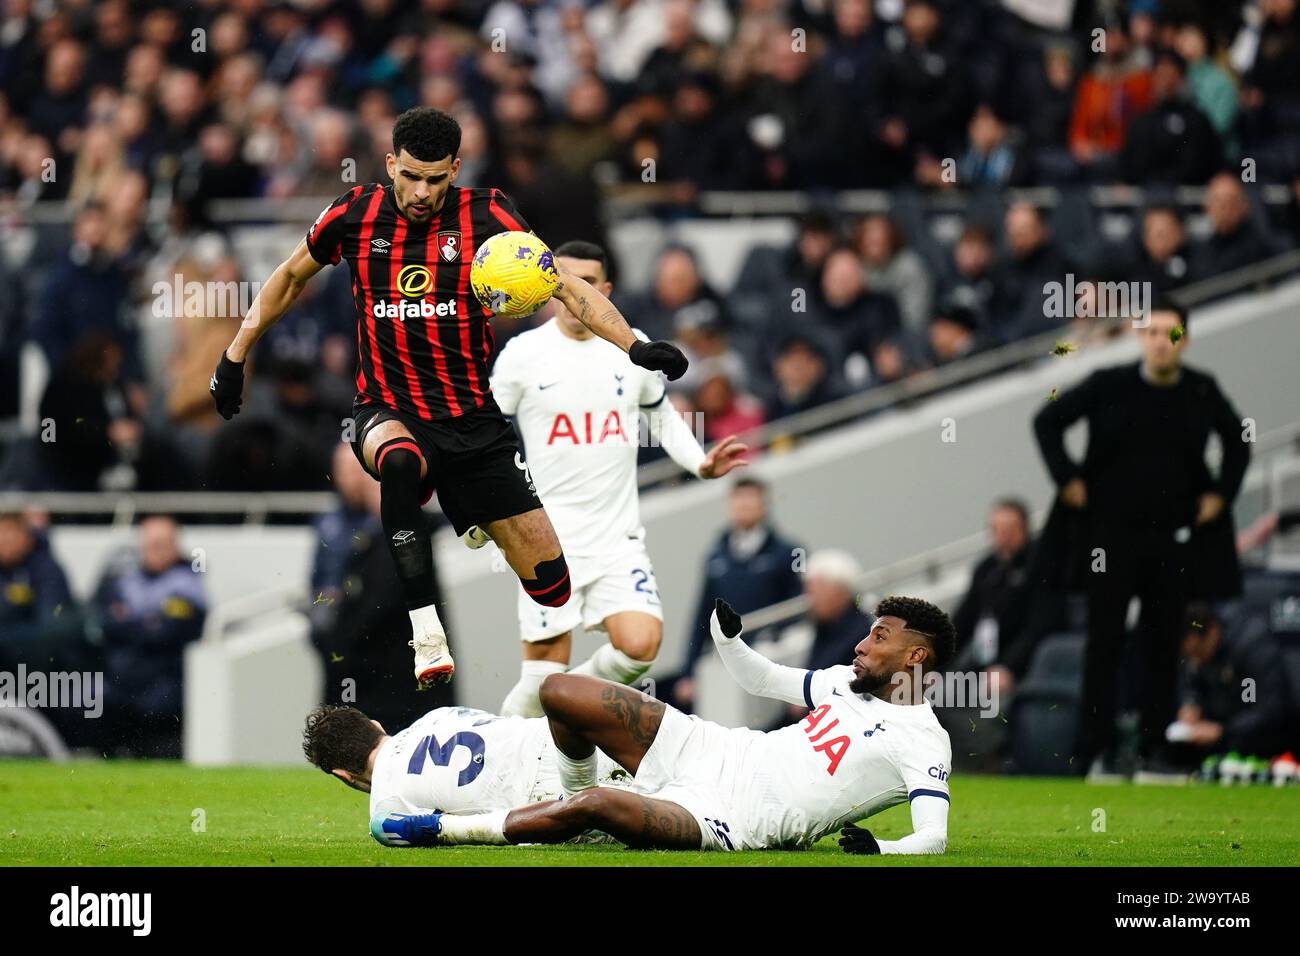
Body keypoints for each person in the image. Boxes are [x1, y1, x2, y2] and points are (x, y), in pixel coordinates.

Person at [208, 107, 689, 687]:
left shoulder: (489, 216)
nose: (420, 191)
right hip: (388, 410)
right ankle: (426, 631)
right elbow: (288, 278)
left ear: (455, 169)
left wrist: (633, 347)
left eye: (436, 179)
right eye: (410, 175)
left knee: (553, 588)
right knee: (401, 465)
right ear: (391, 164)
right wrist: (235, 355)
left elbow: (566, 286)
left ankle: (467, 510)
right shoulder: (353, 214)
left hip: (473, 423)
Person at [365, 597, 954, 854]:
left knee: (601, 804)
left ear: (914, 657)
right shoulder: (839, 683)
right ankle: (564, 805)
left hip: (733, 820)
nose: (860, 644)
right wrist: (729, 639)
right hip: (710, 748)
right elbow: (761, 679)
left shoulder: (924, 741)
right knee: (559, 692)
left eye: (879, 637)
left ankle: (446, 831)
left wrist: (883, 848)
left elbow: (933, 838)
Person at [490, 241, 748, 717]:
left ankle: (556, 702)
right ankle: (513, 748)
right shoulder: (522, 355)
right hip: (548, 541)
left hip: (617, 538)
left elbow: (661, 413)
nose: (573, 292)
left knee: (641, 644)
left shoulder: (632, 346)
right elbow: (486, 436)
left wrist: (699, 462)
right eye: (562, 280)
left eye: (586, 282)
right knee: (543, 669)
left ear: (605, 290)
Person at [1032, 301, 1251, 776]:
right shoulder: (1109, 383)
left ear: (1184, 340)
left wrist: (1221, 495)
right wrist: (1067, 478)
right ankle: (1096, 749)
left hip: (1171, 539)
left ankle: (1154, 747)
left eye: (1169, 333)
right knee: (1103, 644)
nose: (1159, 341)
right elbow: (1046, 420)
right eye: (1150, 331)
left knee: (1162, 644)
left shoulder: (1199, 389)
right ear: (1139, 338)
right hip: (1108, 540)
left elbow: (1238, 441)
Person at [675, 477, 804, 710]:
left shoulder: (789, 552)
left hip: (771, 660)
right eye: (738, 498)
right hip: (725, 661)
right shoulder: (716, 555)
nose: (744, 505)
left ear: (764, 504)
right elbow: (702, 614)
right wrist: (688, 672)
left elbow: (798, 611)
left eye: (751, 498)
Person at [93, 515, 207, 758]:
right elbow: (103, 622)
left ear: (176, 546)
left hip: (168, 677)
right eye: (150, 544)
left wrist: (130, 623)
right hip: (121, 676)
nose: (155, 551)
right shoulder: (124, 580)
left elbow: (173, 632)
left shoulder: (188, 584)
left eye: (162, 544)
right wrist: (148, 623)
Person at [1167, 603, 1291, 767]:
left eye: (1198, 652)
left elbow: (1262, 711)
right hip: (1216, 742)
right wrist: (1191, 703)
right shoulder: (1194, 647)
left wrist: (1222, 730)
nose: (1195, 660)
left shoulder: (1250, 649)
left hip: (1258, 743)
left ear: (1212, 633)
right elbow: (1189, 684)